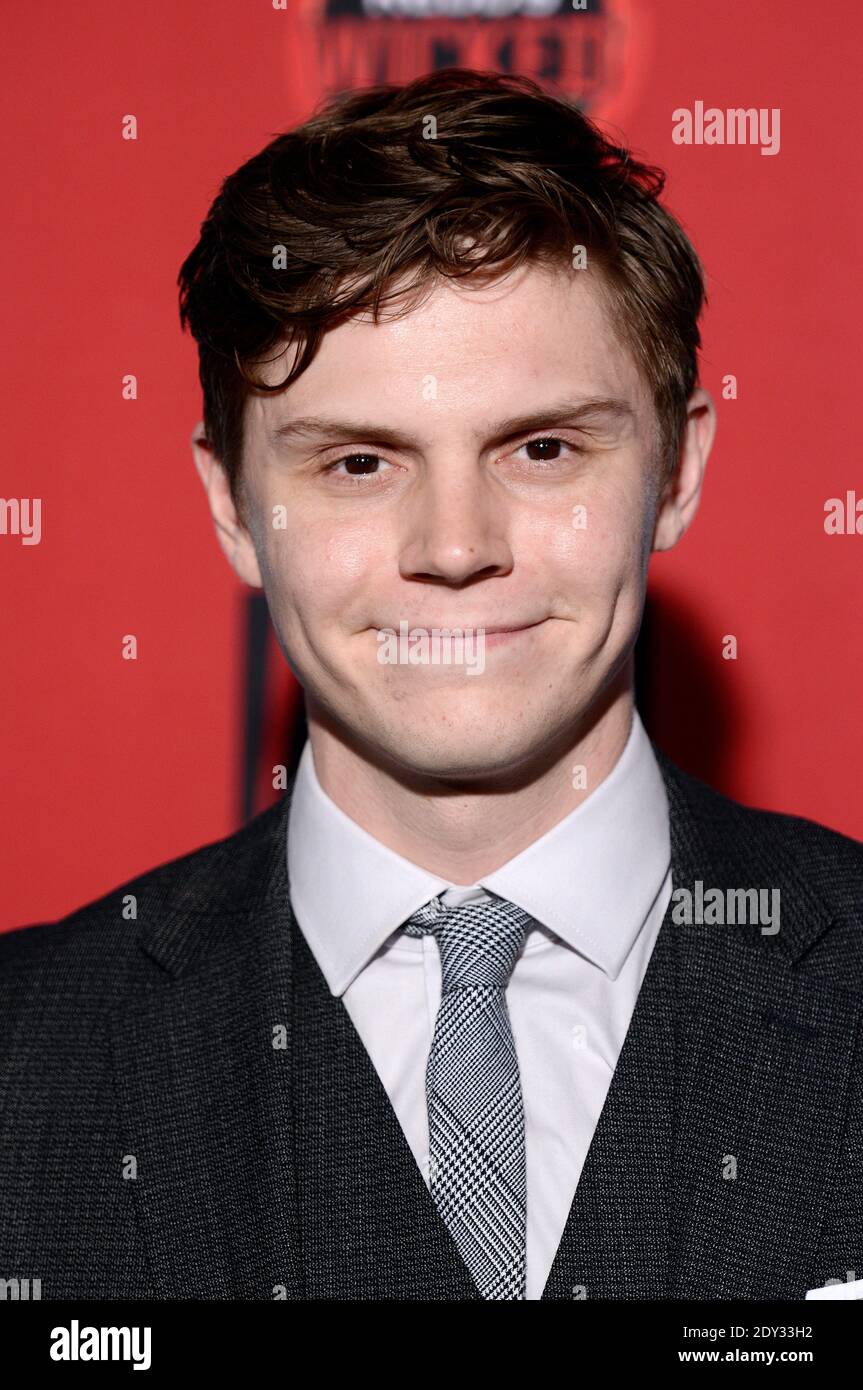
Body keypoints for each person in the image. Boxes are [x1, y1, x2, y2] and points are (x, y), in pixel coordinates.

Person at [2, 69, 861, 1303]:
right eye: (357, 462)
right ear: (231, 507)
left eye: (544, 447)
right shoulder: (25, 1057)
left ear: (675, 471)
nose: (454, 544)